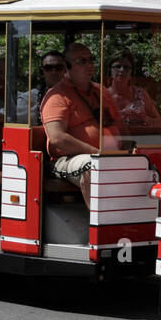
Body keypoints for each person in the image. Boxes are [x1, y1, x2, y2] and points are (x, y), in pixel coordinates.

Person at [41, 42, 124, 206]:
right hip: (68, 158)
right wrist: (97, 153)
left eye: (91, 60)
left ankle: (137, 224)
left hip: (108, 154)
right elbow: (57, 139)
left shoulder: (102, 92)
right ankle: (101, 225)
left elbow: (120, 127)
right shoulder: (56, 96)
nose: (89, 65)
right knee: (93, 168)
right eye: (82, 61)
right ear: (68, 66)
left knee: (145, 165)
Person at [106, 49, 161, 129]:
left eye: (126, 67)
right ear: (110, 71)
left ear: (131, 73)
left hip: (140, 139)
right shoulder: (103, 95)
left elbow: (160, 122)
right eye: (117, 66)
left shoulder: (141, 94)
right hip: (112, 139)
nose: (122, 70)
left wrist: (146, 118)